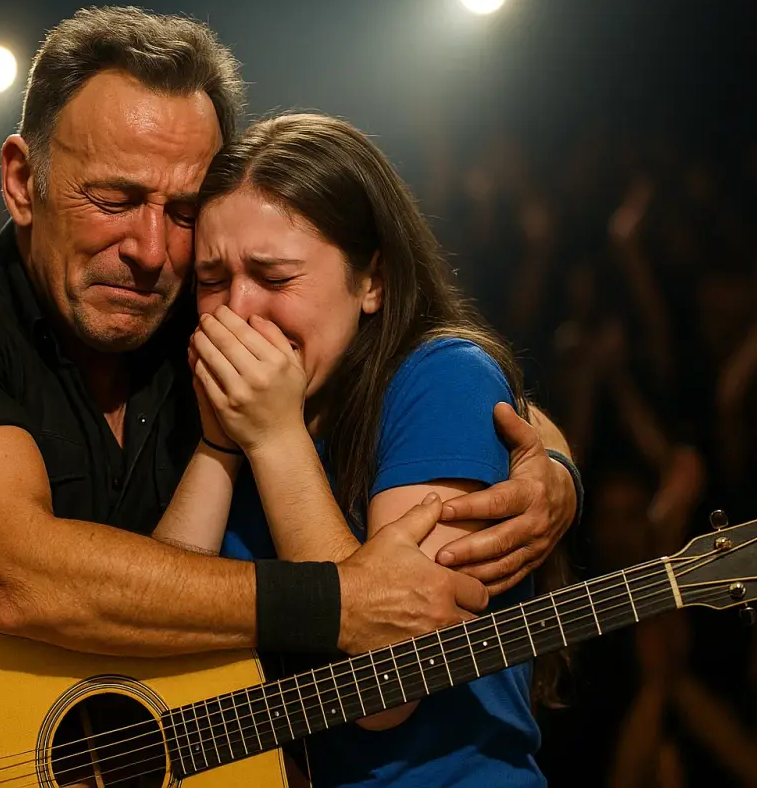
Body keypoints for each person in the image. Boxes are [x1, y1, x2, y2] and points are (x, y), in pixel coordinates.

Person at [0, 7, 581, 664]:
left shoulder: (210, 308)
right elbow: (24, 579)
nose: (151, 250)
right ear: (24, 180)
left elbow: (404, 370)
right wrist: (341, 600)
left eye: (184, 211)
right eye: (115, 198)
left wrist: (551, 470)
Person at [152, 113, 553, 786]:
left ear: (373, 281)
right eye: (212, 279)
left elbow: (385, 693)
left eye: (273, 277)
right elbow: (157, 643)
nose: (235, 312)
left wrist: (276, 440)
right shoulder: (254, 418)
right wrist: (219, 447)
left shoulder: (445, 378)